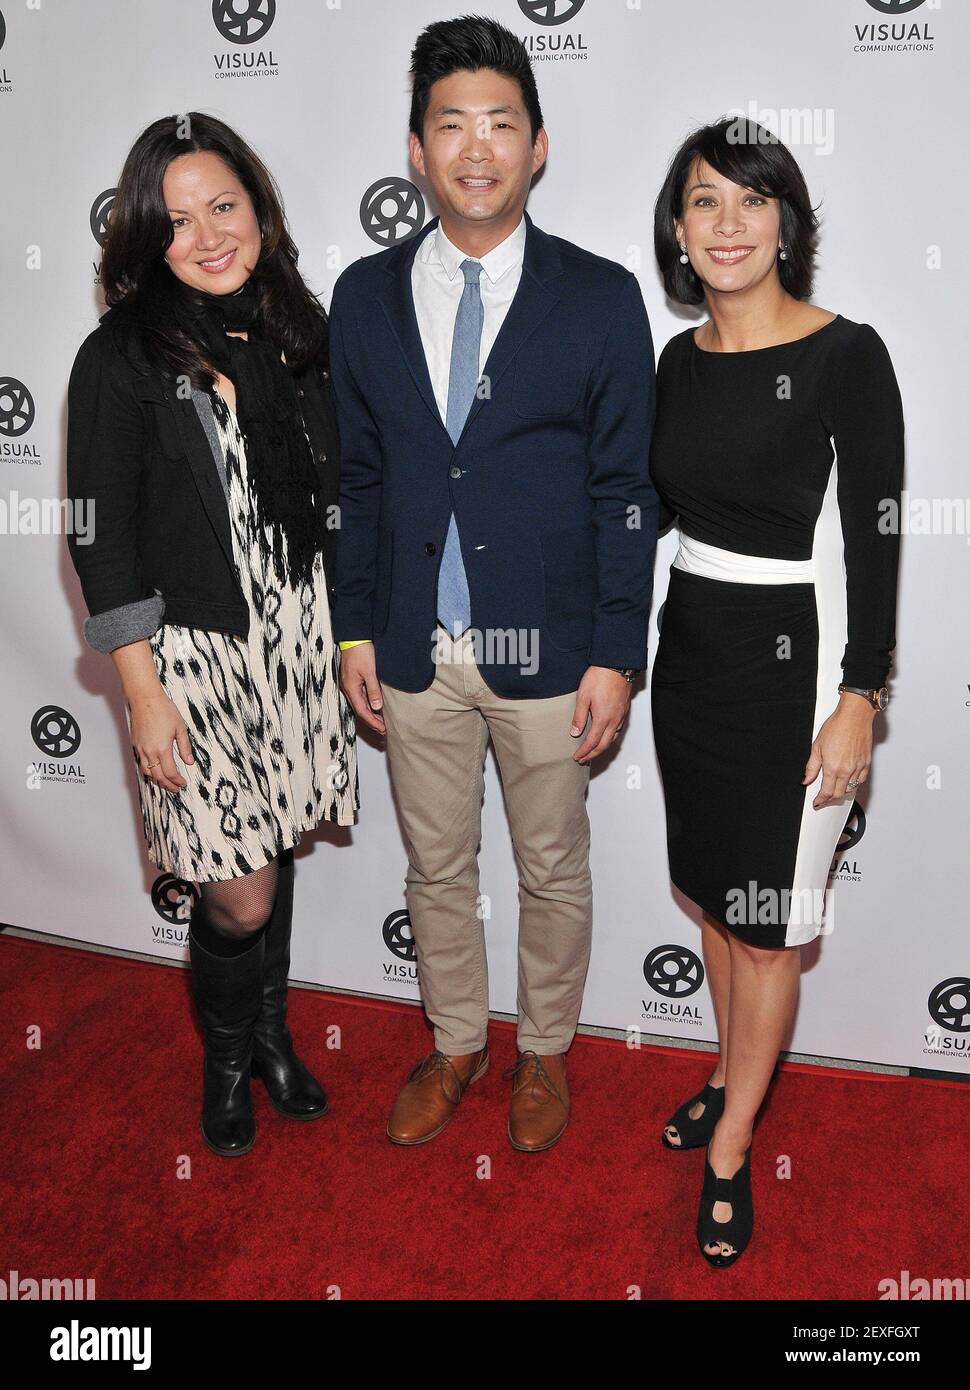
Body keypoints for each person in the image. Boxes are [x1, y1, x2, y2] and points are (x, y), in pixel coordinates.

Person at [331, 15, 658, 1152]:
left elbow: (626, 491)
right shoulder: (362, 295)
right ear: (416, 149)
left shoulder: (602, 296)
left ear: (538, 145)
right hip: (414, 644)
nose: (477, 149)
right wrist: (353, 628)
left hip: (550, 649)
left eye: (500, 125)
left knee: (553, 865)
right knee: (435, 861)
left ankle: (547, 1052)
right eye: (451, 125)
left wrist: (618, 650)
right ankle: (457, 1037)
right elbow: (359, 477)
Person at [66, 112, 358, 1157]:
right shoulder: (124, 355)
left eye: (222, 206)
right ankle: (227, 1060)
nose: (208, 234)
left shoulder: (296, 335)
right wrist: (141, 696)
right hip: (190, 658)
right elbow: (99, 537)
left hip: (296, 640)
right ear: (148, 239)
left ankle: (274, 1038)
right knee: (237, 893)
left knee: (272, 850)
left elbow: (339, 495)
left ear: (258, 209)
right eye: (177, 220)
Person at [649, 117, 903, 1263]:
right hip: (691, 654)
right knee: (715, 902)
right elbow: (649, 514)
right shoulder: (675, 360)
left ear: (786, 220)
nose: (729, 222)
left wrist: (861, 695)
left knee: (767, 934)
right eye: (706, 200)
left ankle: (733, 1147)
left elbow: (875, 539)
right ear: (677, 227)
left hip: (798, 674)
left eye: (752, 199)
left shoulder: (849, 354)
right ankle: (727, 1076)